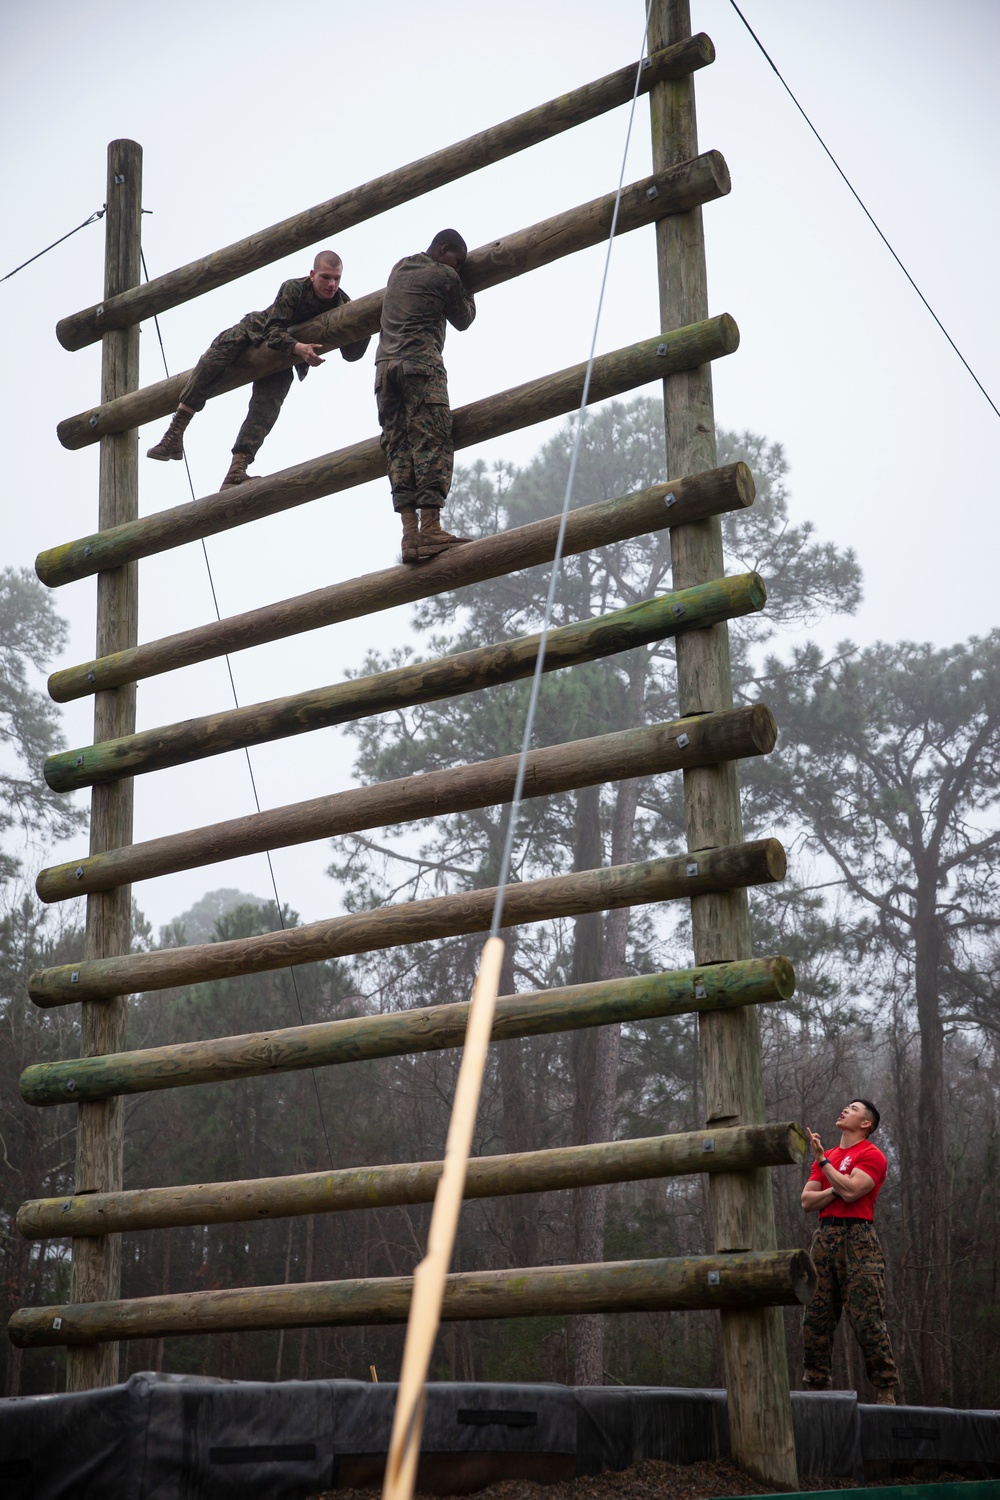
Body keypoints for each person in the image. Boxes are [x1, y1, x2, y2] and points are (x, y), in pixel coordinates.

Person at [146, 250, 370, 490]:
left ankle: (236, 470)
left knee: (266, 407)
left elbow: (352, 355)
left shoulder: (341, 303)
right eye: (326, 277)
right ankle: (173, 436)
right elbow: (273, 331)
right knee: (212, 361)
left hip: (283, 360)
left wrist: (363, 321)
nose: (332, 284)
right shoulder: (293, 289)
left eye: (337, 278)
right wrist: (299, 347)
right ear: (313, 274)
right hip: (253, 333)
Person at [375, 228, 476, 563]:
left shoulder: (400, 268)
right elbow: (464, 319)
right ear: (443, 250)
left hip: (384, 372)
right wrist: (468, 285)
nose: (457, 268)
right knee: (432, 439)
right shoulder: (444, 275)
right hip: (419, 366)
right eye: (457, 261)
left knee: (398, 445)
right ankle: (431, 528)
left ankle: (410, 533)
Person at [802, 1098, 900, 1405]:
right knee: (816, 1316)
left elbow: (853, 1191)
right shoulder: (828, 1155)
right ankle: (816, 1389)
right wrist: (831, 1176)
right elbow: (807, 1200)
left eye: (854, 1108)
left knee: (866, 1317)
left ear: (865, 1124)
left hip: (858, 1238)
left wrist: (826, 1171)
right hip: (825, 1236)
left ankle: (885, 1391)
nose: (845, 1109)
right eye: (845, 1105)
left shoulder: (872, 1155)